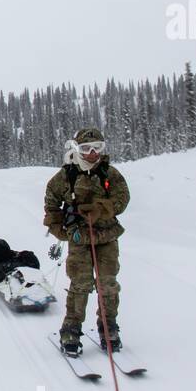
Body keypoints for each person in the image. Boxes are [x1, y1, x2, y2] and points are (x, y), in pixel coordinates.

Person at [42, 127, 130, 354]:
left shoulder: (110, 174)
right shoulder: (66, 176)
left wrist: (102, 209)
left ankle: (108, 327)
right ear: (77, 149)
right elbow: (51, 201)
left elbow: (122, 198)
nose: (92, 153)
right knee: (80, 283)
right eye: (86, 148)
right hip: (79, 238)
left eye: (97, 148)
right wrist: (57, 228)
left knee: (108, 283)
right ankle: (71, 330)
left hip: (107, 236)